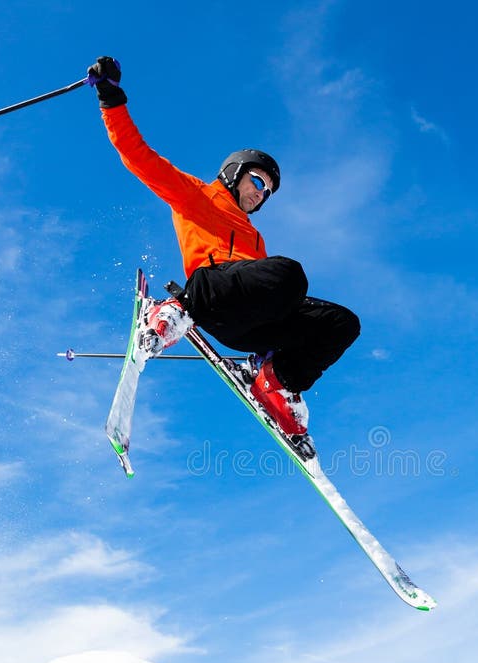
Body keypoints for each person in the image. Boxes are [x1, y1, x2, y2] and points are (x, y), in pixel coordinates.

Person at [87, 57, 360, 436]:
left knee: (341, 322)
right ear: (234, 173)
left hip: (245, 323)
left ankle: (276, 381)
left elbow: (269, 292)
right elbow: (139, 157)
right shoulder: (197, 195)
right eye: (259, 183)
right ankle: (174, 312)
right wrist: (110, 99)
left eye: (268, 193)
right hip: (211, 292)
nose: (262, 196)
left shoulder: (255, 239)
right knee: (289, 274)